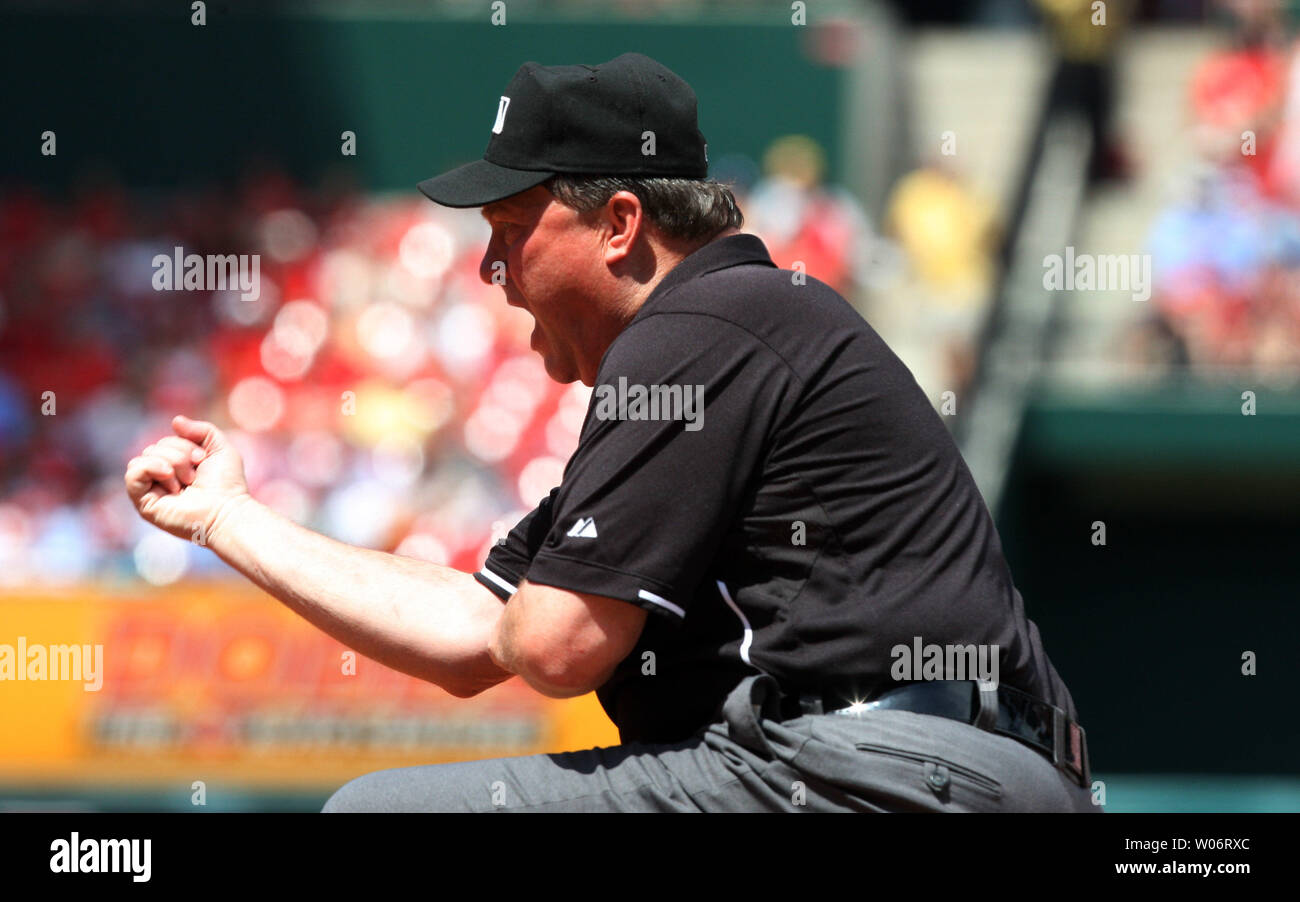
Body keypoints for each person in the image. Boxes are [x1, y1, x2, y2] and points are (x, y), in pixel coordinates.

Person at [124, 52, 1096, 812]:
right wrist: (228, 519)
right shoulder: (728, 332)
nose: (490, 270)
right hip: (935, 765)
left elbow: (553, 642)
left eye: (511, 230)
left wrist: (536, 608)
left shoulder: (697, 327)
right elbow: (476, 630)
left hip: (880, 770)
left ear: (621, 222)